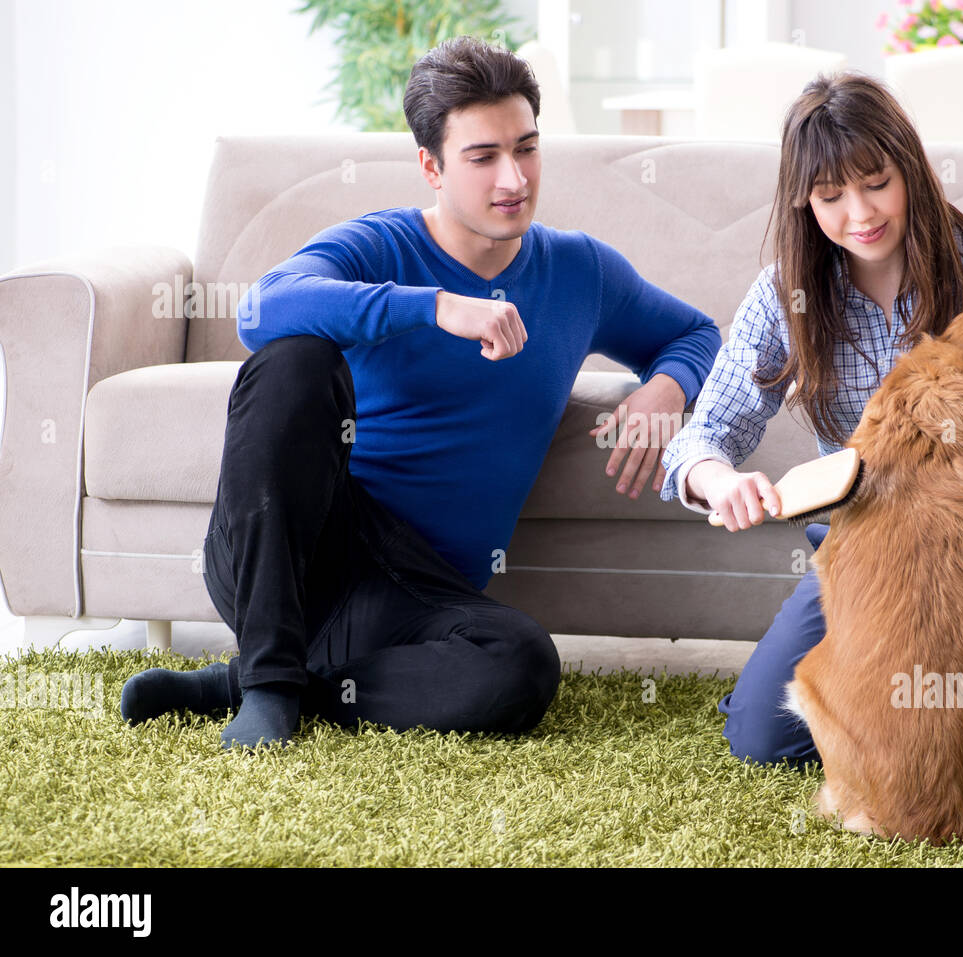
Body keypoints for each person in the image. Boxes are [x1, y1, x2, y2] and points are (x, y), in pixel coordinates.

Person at [120, 36, 721, 750]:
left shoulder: (579, 271)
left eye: (526, 148)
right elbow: (260, 309)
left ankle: (255, 679)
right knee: (293, 361)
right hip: (299, 551)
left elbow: (697, 333)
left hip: (415, 594)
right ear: (431, 166)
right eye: (483, 157)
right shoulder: (381, 246)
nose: (514, 178)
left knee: (524, 663)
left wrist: (666, 387)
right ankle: (270, 685)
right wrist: (434, 305)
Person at [660, 71, 963, 771]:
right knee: (762, 737)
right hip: (861, 544)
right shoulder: (787, 294)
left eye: (875, 182)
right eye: (830, 196)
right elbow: (704, 432)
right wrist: (715, 479)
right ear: (804, 200)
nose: (859, 212)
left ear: (910, 170)